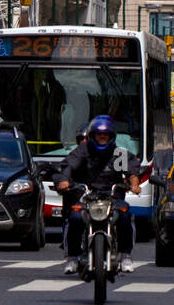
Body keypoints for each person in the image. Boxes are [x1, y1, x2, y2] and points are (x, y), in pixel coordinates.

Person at [57, 115, 140, 275]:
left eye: (106, 134)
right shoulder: (83, 151)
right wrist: (64, 181)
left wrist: (134, 184)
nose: (102, 137)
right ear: (92, 135)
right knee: (74, 217)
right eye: (99, 134)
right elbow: (69, 166)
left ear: (111, 136)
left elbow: (131, 170)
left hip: (113, 197)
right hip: (88, 196)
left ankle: (125, 256)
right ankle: (72, 257)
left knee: (125, 216)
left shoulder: (118, 154)